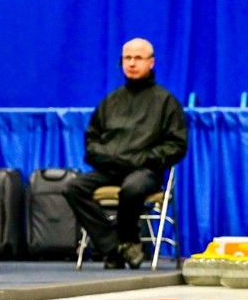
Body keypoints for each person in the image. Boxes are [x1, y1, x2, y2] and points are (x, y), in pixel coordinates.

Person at [65, 38, 188, 269]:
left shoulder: (166, 102)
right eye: (127, 58)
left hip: (145, 171)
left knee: (132, 188)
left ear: (151, 62)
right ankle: (116, 247)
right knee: (72, 187)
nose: (132, 63)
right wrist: (108, 157)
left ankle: (127, 243)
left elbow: (176, 144)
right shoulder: (110, 101)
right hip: (110, 169)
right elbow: (91, 141)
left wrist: (145, 159)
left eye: (138, 58)